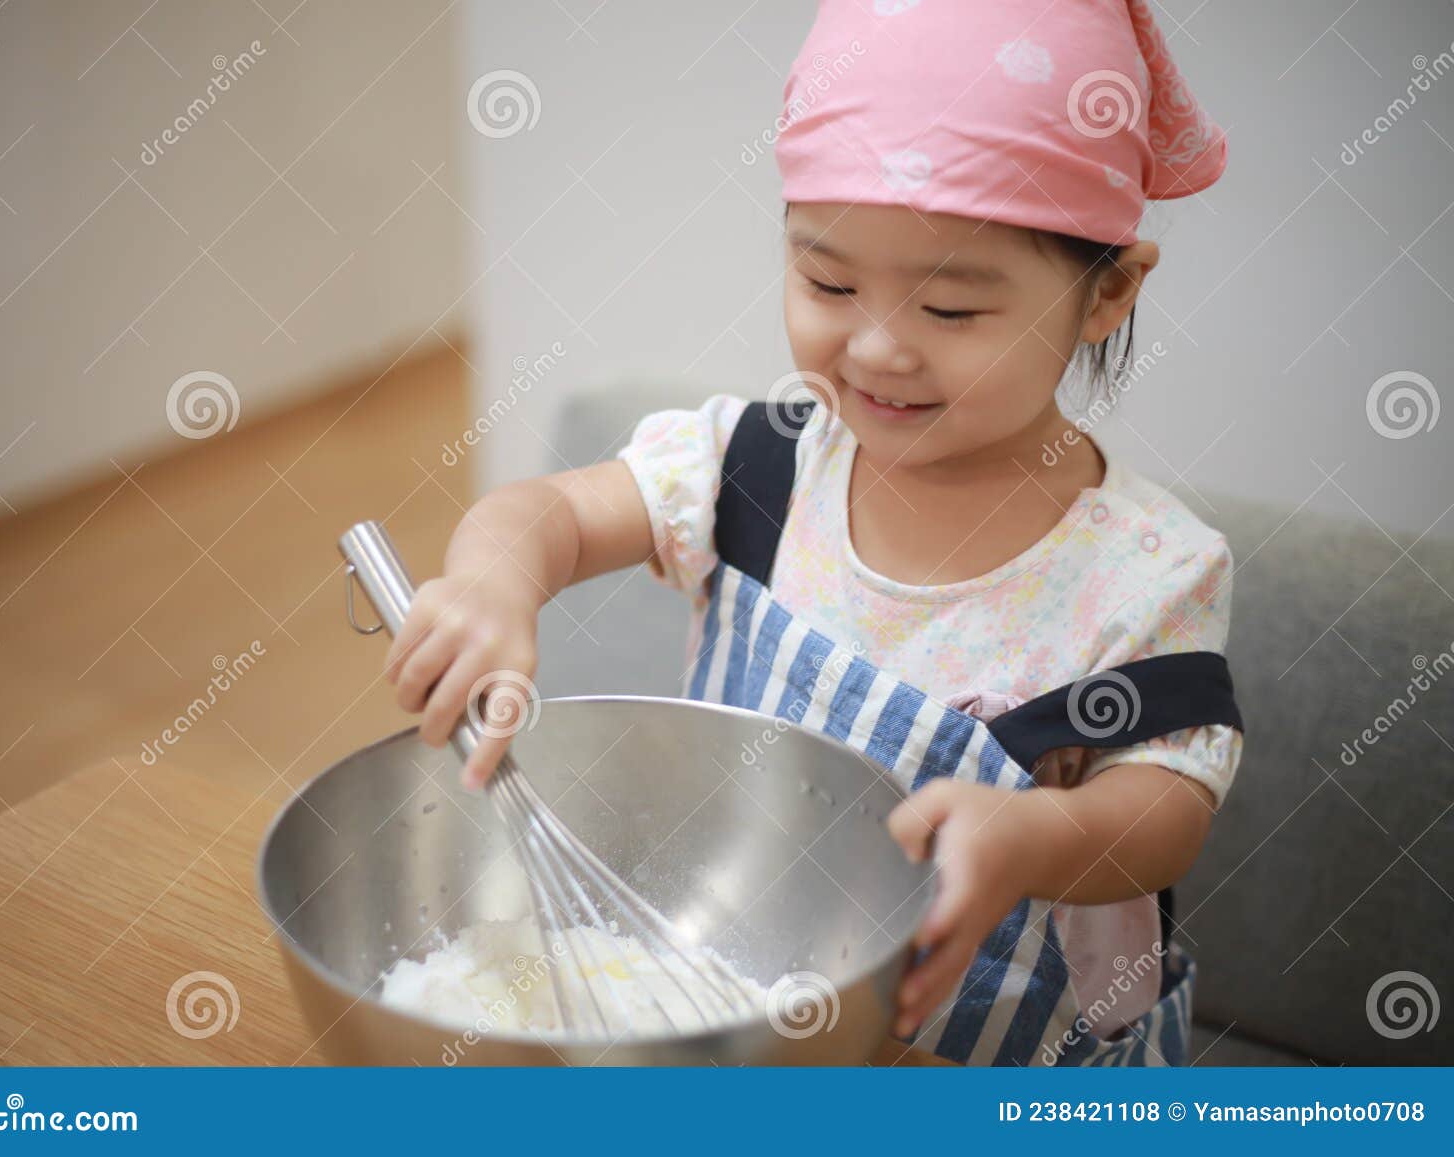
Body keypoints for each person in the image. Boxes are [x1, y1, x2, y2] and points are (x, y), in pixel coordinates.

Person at [383, 0, 1243, 1066]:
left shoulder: (1143, 567)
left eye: (951, 311)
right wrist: (495, 580)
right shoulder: (757, 465)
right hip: (747, 1012)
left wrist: (1031, 838)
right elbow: (549, 514)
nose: (877, 348)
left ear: (1106, 291)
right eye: (828, 282)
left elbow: (1166, 804)